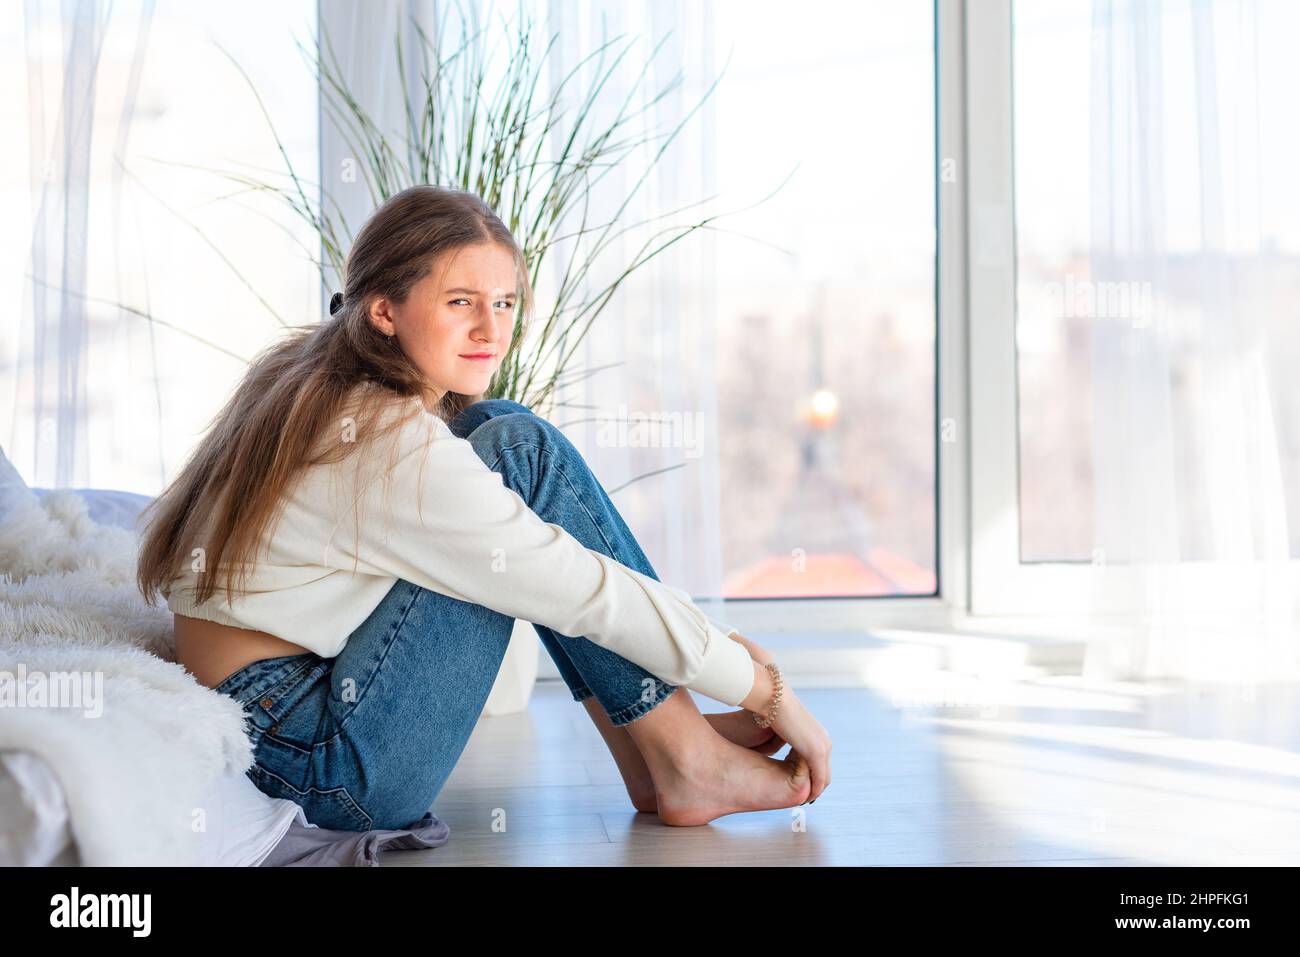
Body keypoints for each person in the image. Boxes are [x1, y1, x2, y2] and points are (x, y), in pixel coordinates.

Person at [135, 184, 831, 832]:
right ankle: (683, 755)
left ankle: (664, 751)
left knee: (506, 434)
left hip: (282, 714)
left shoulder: (315, 376)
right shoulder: (381, 439)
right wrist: (762, 685)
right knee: (517, 464)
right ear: (383, 309)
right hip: (319, 765)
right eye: (460, 301)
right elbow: (581, 589)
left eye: (502, 303)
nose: (489, 330)